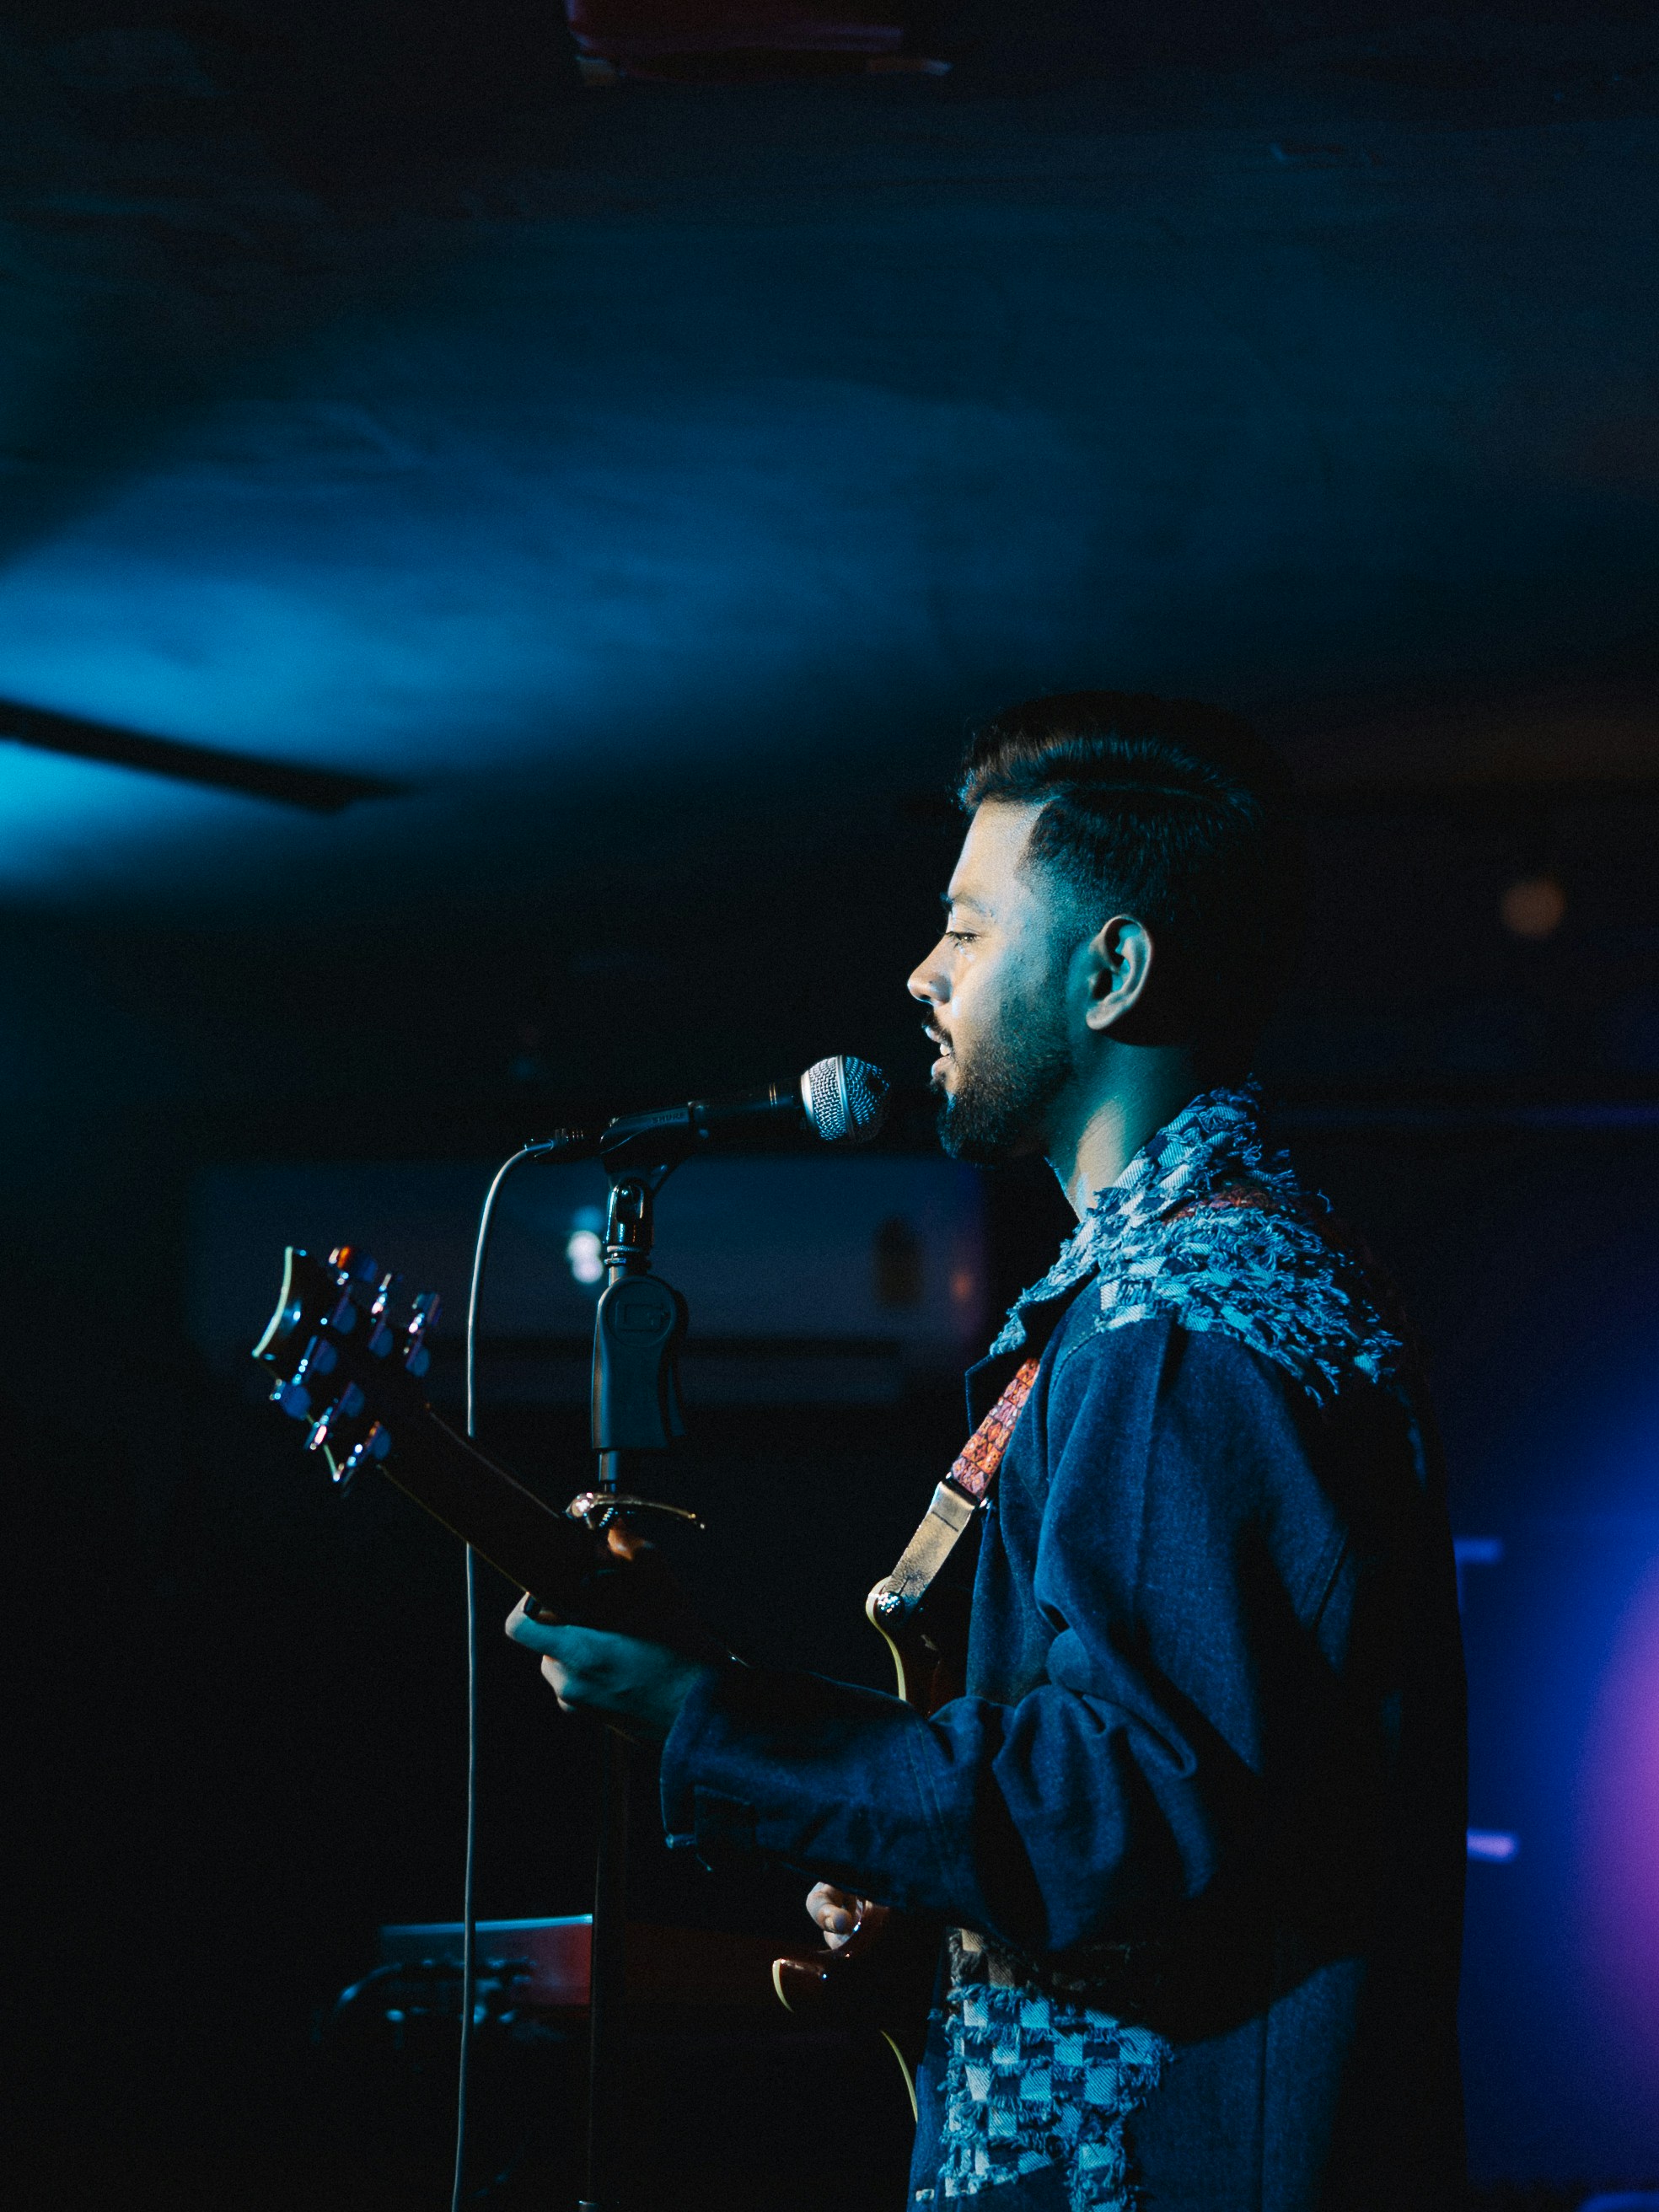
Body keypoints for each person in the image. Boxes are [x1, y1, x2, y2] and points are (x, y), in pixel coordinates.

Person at [506, 691, 1468, 2211]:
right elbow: (1160, 1800)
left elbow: (1129, 1800)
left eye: (965, 929)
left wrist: (719, 1718)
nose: (919, 974)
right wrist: (934, 1893)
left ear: (1112, 972)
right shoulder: (1185, 1293)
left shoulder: (1183, 1325)